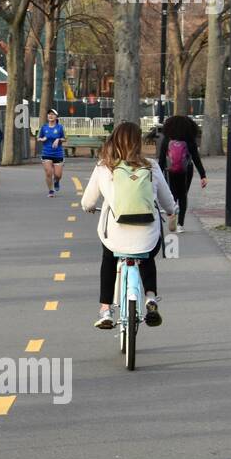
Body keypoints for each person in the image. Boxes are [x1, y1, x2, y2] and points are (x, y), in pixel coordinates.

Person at [81, 121, 177, 330]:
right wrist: (171, 213)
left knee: (108, 260)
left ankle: (106, 309)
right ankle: (150, 297)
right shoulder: (151, 166)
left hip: (115, 236)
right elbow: (168, 202)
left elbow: (88, 202)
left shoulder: (104, 167)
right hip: (147, 235)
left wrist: (89, 208)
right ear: (138, 142)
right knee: (148, 256)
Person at [156, 114, 207, 233]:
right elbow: (196, 158)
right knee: (183, 196)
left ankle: (172, 214)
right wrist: (203, 175)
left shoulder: (167, 139)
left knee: (172, 194)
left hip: (170, 170)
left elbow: (162, 159)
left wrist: (158, 175)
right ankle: (180, 224)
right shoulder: (189, 140)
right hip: (186, 170)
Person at [37, 109, 67, 197]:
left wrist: (58, 139)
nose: (50, 116)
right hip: (46, 153)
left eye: (53, 114)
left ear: (56, 117)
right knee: (48, 173)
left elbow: (65, 138)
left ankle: (56, 181)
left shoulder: (60, 128)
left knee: (58, 175)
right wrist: (42, 139)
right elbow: (38, 138)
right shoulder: (43, 127)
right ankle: (51, 191)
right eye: (49, 114)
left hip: (58, 154)